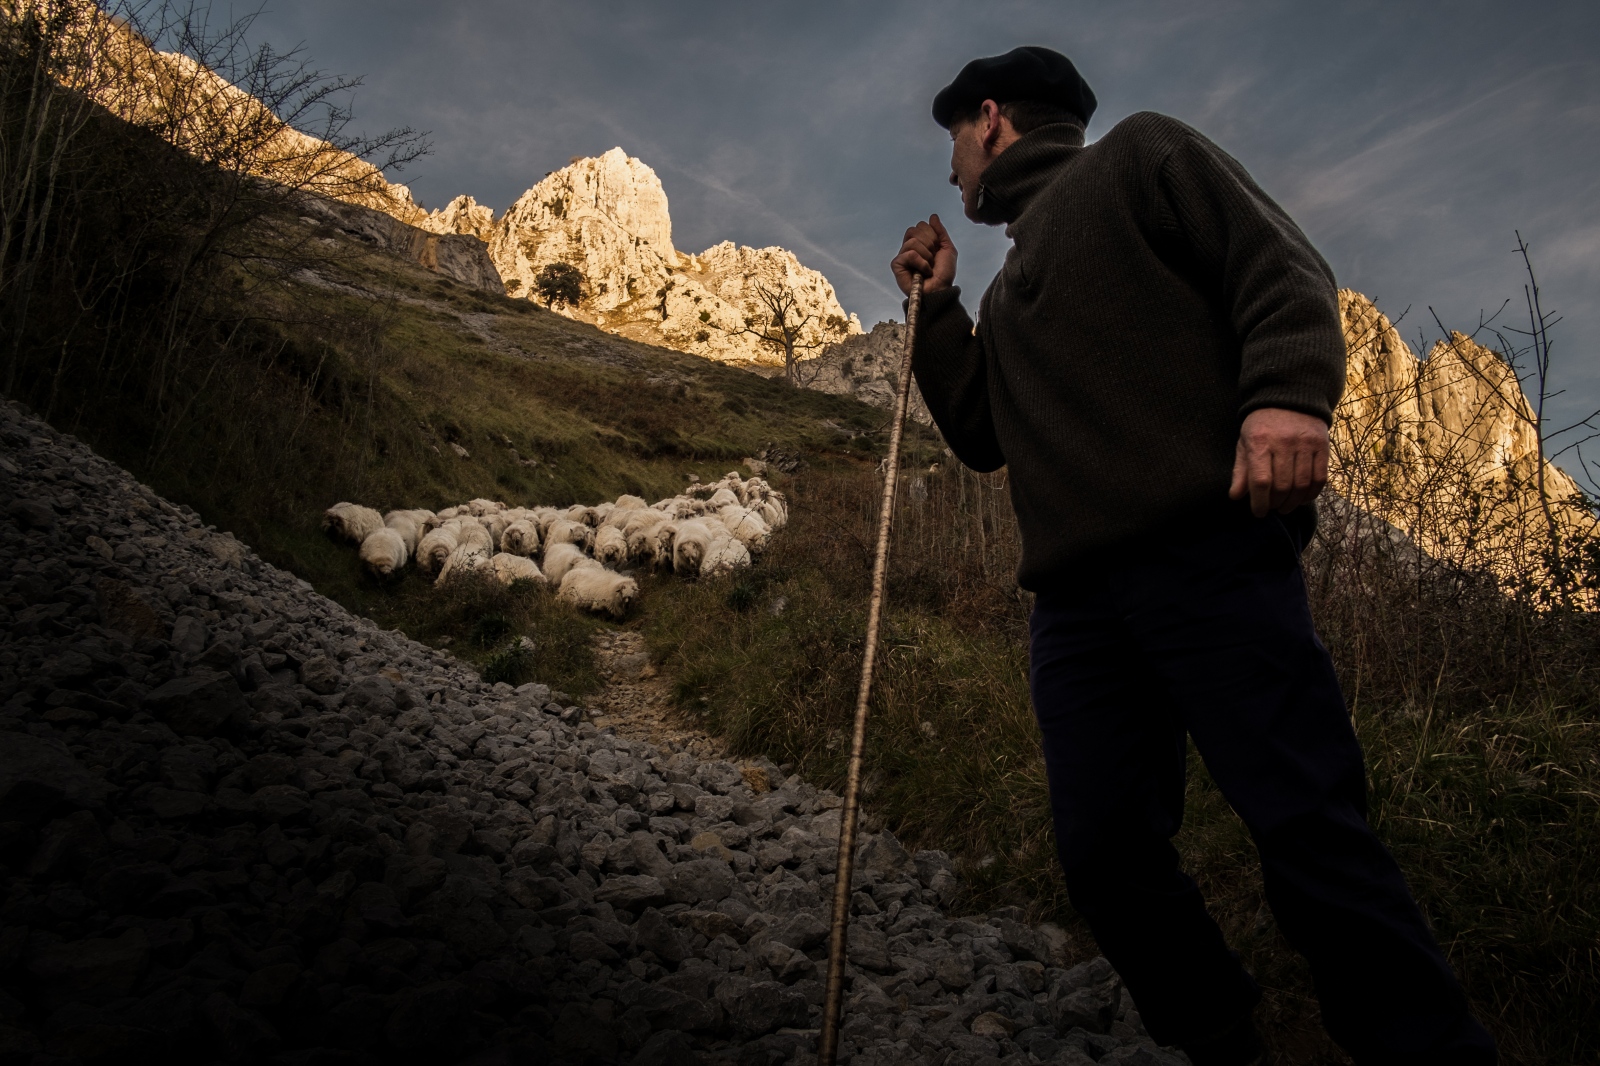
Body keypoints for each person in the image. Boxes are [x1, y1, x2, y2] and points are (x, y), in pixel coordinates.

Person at [892, 46, 1496, 1066]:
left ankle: (1426, 1051)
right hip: (1078, 609)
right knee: (1100, 851)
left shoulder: (1139, 155)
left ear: (989, 119)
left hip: (1207, 560)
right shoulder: (1009, 285)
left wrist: (1286, 396)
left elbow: (1282, 267)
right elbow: (985, 433)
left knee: (1307, 830)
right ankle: (1221, 1034)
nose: (949, 167)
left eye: (953, 139)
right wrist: (941, 309)